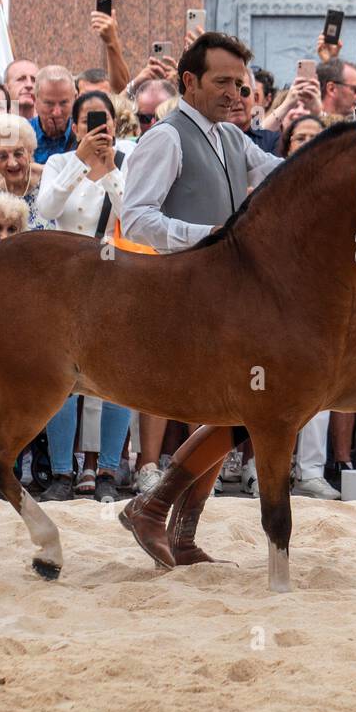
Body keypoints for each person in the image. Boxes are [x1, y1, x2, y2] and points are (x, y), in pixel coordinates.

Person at [120, 31, 284, 494]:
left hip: (227, 293)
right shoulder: (166, 136)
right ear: (189, 81)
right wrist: (208, 236)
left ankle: (170, 503)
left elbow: (282, 172)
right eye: (223, 82)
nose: (235, 94)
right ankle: (162, 491)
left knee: (230, 401)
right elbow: (134, 220)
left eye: (239, 84)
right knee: (218, 400)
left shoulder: (232, 136)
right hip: (182, 288)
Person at [34, 91, 132, 502]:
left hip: (114, 279)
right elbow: (46, 205)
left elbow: (134, 213)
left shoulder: (128, 160)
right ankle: (61, 472)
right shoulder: (59, 162)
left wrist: (108, 169)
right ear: (76, 126)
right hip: (66, 281)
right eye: (89, 121)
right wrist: (80, 159)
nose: (98, 128)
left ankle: (108, 469)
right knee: (63, 377)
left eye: (105, 120)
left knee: (119, 378)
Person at [0, 113, 51, 229]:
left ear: (30, 152)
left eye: (18, 153)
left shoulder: (49, 179)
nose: (12, 163)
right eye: (3, 156)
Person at [26, 65, 77, 162]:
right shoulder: (20, 135)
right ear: (34, 100)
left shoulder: (83, 138)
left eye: (63, 103)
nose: (56, 113)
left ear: (75, 99)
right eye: (49, 103)